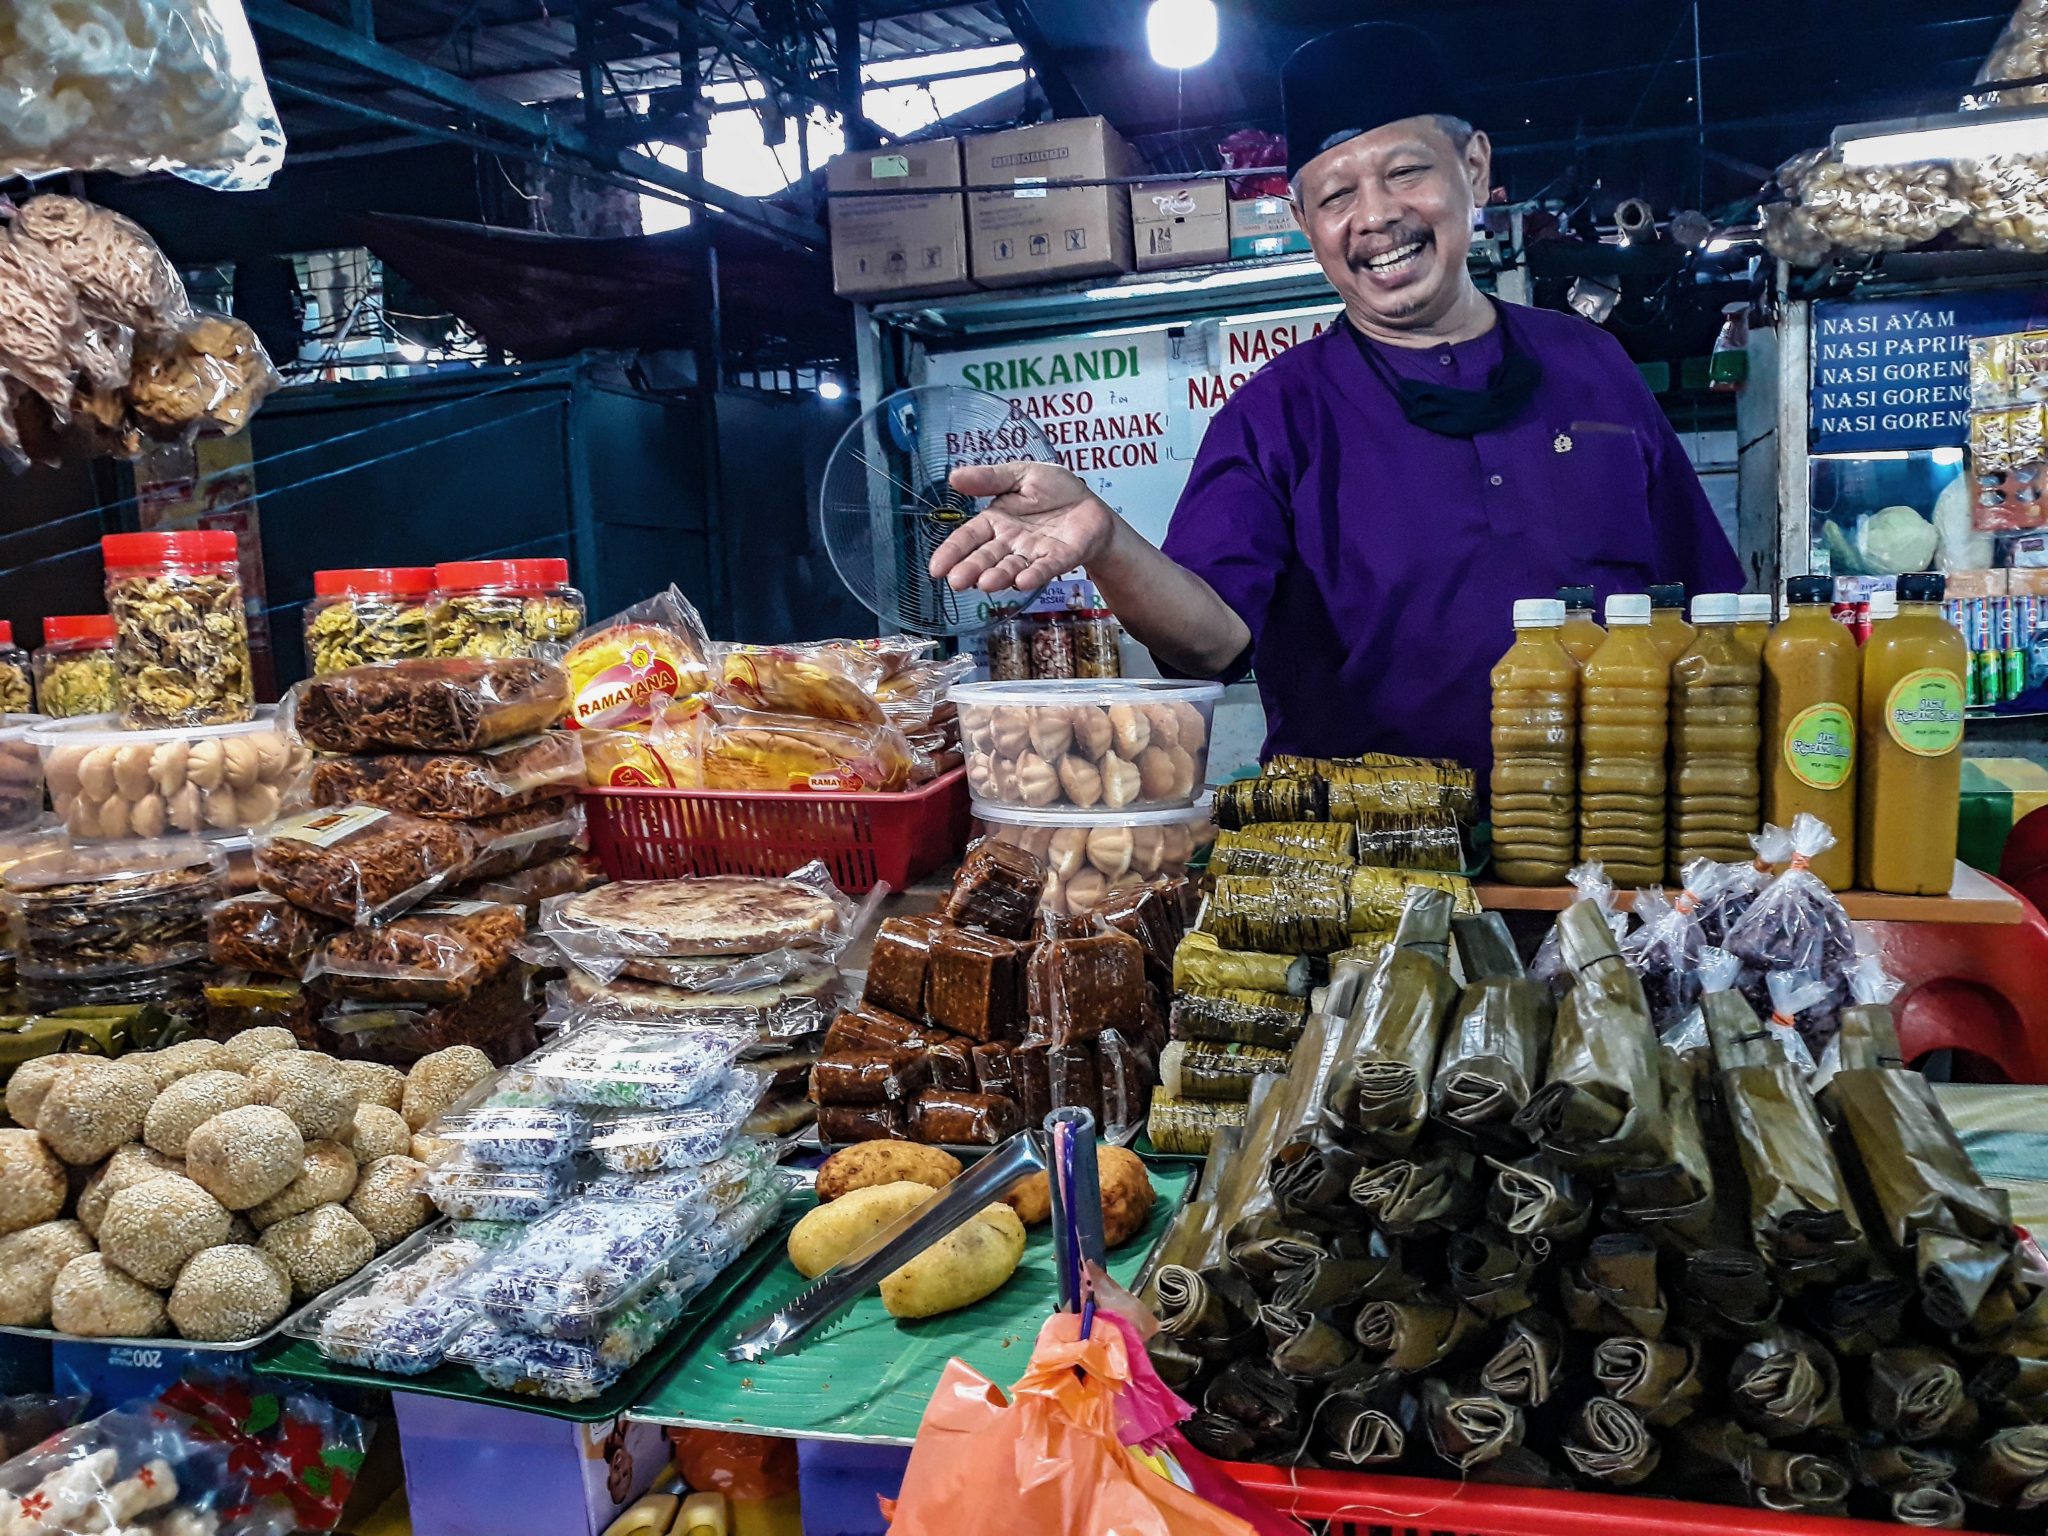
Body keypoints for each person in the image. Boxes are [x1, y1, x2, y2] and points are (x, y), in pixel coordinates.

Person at [929, 21, 1743, 781]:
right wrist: (1106, 540)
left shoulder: (1591, 365)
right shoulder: (1273, 420)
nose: (1378, 217)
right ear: (1303, 222)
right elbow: (1211, 644)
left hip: (1612, 843)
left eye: (1405, 171)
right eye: (1337, 195)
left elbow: (1714, 609)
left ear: (1475, 168)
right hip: (1363, 875)